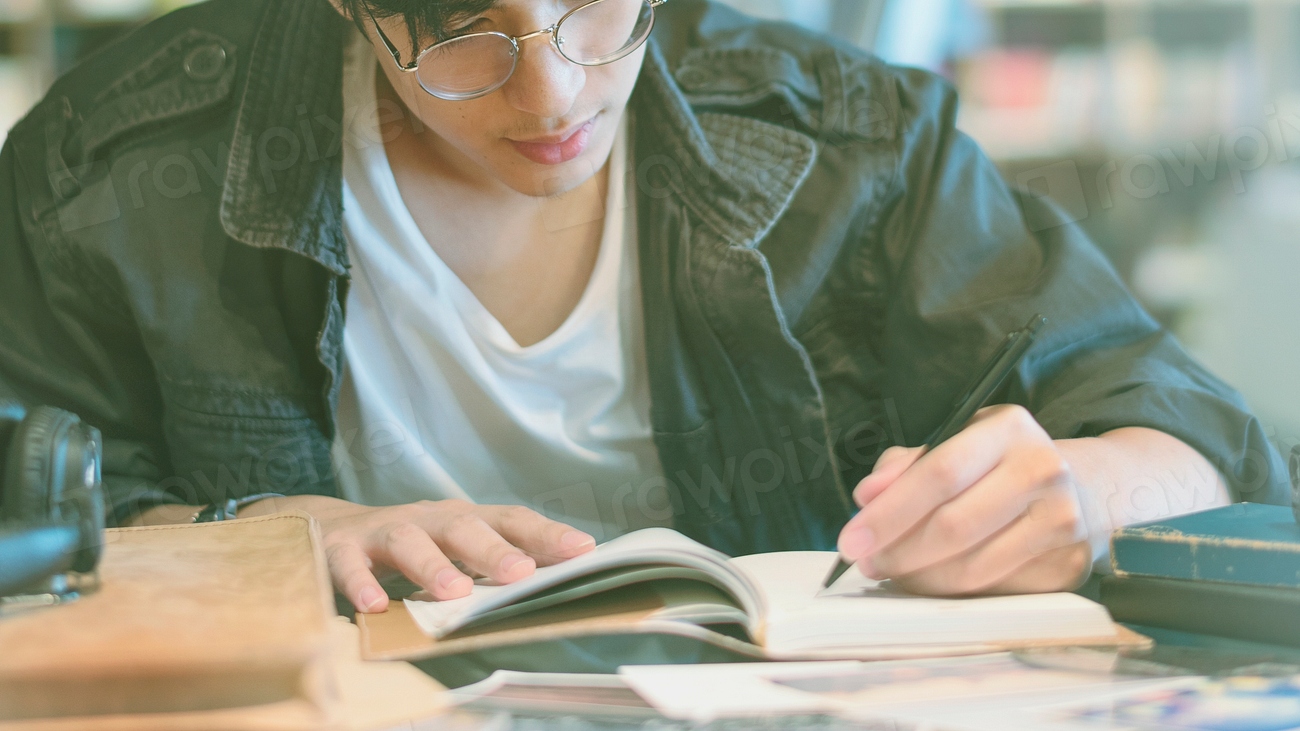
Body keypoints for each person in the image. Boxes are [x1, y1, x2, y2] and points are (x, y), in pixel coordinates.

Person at [0, 0, 1288, 616]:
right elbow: (23, 495)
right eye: (463, 31)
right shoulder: (106, 168)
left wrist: (1096, 486)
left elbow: (1207, 441)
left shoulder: (859, 145)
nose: (554, 93)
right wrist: (253, 535)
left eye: (587, 4)